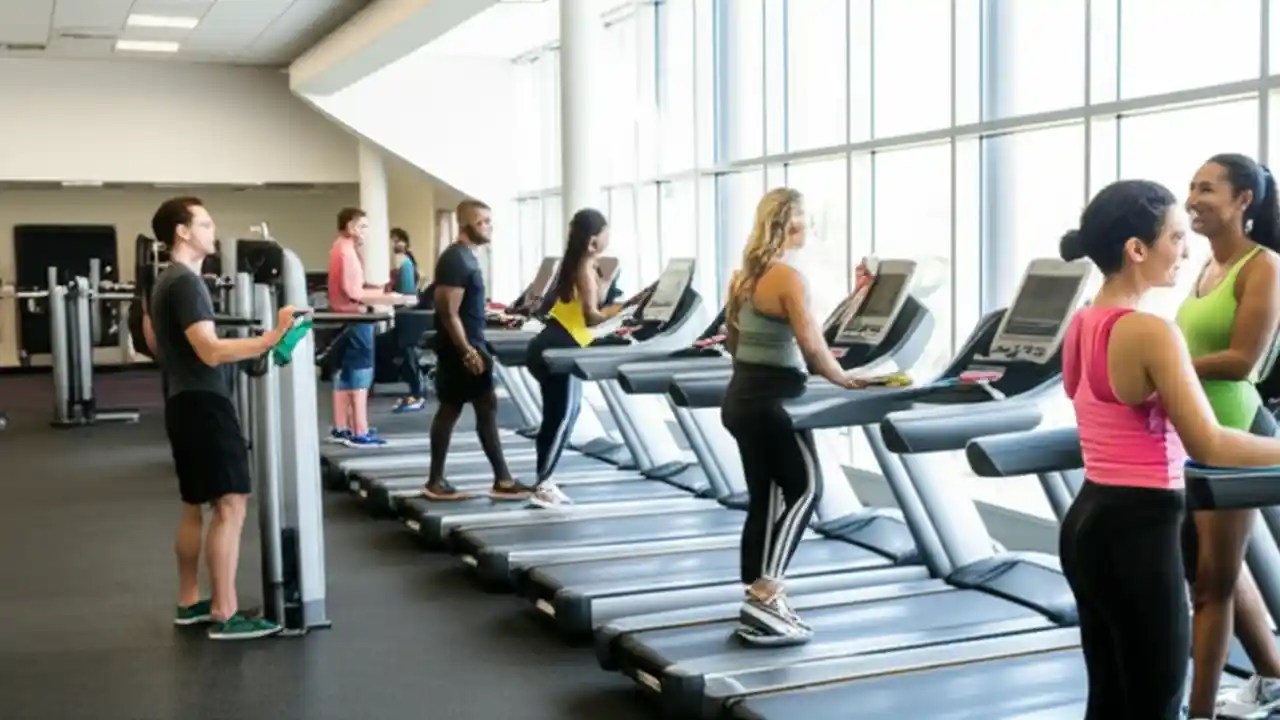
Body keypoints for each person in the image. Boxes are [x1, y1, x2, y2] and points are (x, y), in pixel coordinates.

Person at [1057, 178, 1280, 719]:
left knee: (1108, 700)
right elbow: (1211, 443)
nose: (1185, 250)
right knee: (1155, 703)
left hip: (1087, 521)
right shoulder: (1150, 332)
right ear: (1137, 250)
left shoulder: (1083, 321)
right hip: (1140, 530)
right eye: (1176, 238)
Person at [146, 196, 296, 640]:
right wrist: (272, 337)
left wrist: (250, 346)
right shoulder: (186, 283)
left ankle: (191, 601)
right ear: (183, 232)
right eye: (205, 224)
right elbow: (209, 350)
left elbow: (167, 344)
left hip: (182, 399)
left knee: (195, 504)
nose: (214, 230)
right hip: (203, 403)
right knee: (231, 504)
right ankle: (225, 613)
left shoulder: (164, 281)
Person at [720, 188, 862, 646]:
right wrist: (845, 380)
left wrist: (857, 297)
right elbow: (813, 345)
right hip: (775, 403)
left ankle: (756, 597)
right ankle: (766, 592)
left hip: (741, 395)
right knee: (807, 490)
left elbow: (733, 343)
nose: (811, 229)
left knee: (766, 498)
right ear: (791, 225)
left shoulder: (744, 276)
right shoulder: (788, 277)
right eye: (807, 220)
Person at [1178, 154, 1280, 720]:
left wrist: (1167, 366)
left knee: (1210, 587)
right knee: (1215, 570)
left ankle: (1198, 714)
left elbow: (1242, 360)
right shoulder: (1206, 268)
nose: (1194, 198)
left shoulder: (1263, 265)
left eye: (1208, 189)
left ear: (1244, 201)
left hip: (1232, 431)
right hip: (1193, 433)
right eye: (1191, 187)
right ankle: (1272, 675)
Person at [422, 200, 529, 501]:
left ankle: (439, 480)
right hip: (463, 347)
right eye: (482, 222)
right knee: (480, 408)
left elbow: (465, 307)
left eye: (489, 221)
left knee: (460, 408)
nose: (489, 227)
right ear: (466, 225)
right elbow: (447, 311)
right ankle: (501, 481)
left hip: (467, 341)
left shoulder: (467, 257)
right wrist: (467, 350)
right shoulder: (456, 259)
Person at [525, 209, 628, 508]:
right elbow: (591, 317)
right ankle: (543, 483)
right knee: (561, 418)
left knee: (560, 415)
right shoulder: (583, 266)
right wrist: (623, 311)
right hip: (560, 348)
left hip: (553, 343)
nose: (610, 236)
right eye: (607, 232)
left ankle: (545, 477)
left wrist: (612, 299)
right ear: (594, 239)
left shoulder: (579, 264)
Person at [326, 208, 414, 448]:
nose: (366, 232)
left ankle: (342, 427)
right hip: (357, 317)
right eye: (363, 226)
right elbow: (354, 293)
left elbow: (351, 288)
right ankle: (360, 431)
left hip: (347, 316)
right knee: (361, 372)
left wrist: (379, 291)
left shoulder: (339, 248)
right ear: (352, 227)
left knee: (346, 373)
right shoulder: (347, 252)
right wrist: (392, 299)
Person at [389, 227, 426, 414]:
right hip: (407, 309)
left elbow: (407, 291)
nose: (395, 244)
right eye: (393, 240)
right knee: (406, 351)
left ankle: (416, 391)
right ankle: (415, 390)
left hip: (406, 310)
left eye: (398, 240)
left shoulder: (406, 264)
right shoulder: (407, 262)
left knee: (408, 351)